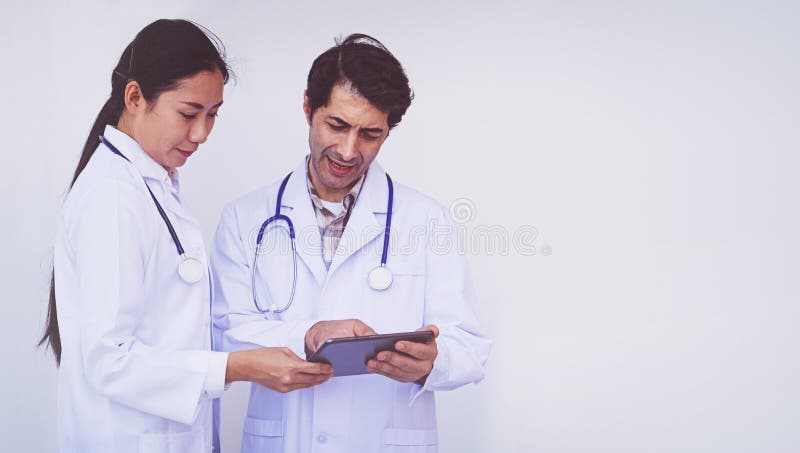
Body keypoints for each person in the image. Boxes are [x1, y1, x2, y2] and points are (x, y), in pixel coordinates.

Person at [40, 19, 332, 453]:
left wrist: (304, 335)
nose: (201, 134)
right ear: (135, 97)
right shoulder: (112, 196)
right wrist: (235, 368)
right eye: (188, 113)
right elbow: (110, 360)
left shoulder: (149, 184)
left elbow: (179, 332)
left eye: (212, 115)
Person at [210, 33, 491, 452]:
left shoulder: (427, 220)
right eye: (337, 125)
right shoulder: (244, 218)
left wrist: (434, 361)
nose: (348, 150)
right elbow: (223, 335)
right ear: (308, 107)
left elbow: (468, 347)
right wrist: (307, 335)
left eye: (370, 134)